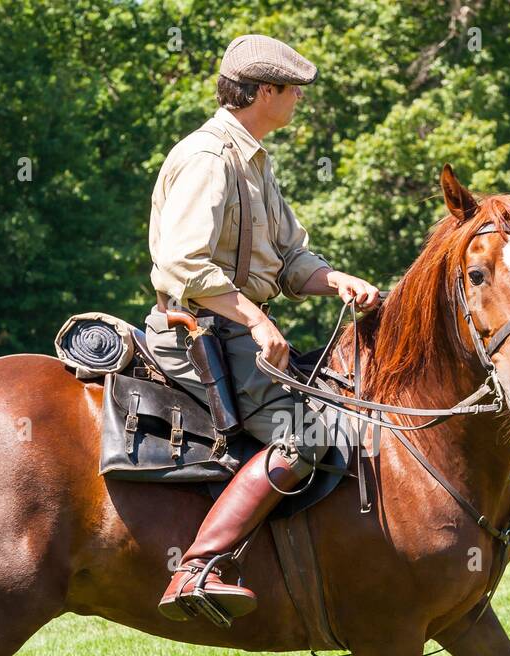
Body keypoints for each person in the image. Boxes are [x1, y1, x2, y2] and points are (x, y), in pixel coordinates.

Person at [148, 34, 379, 623]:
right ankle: (198, 567)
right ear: (265, 92)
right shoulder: (208, 159)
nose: (299, 99)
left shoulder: (252, 158)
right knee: (304, 432)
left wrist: (336, 281)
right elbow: (180, 262)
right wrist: (254, 317)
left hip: (232, 333)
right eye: (293, 90)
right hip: (201, 335)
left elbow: (289, 258)